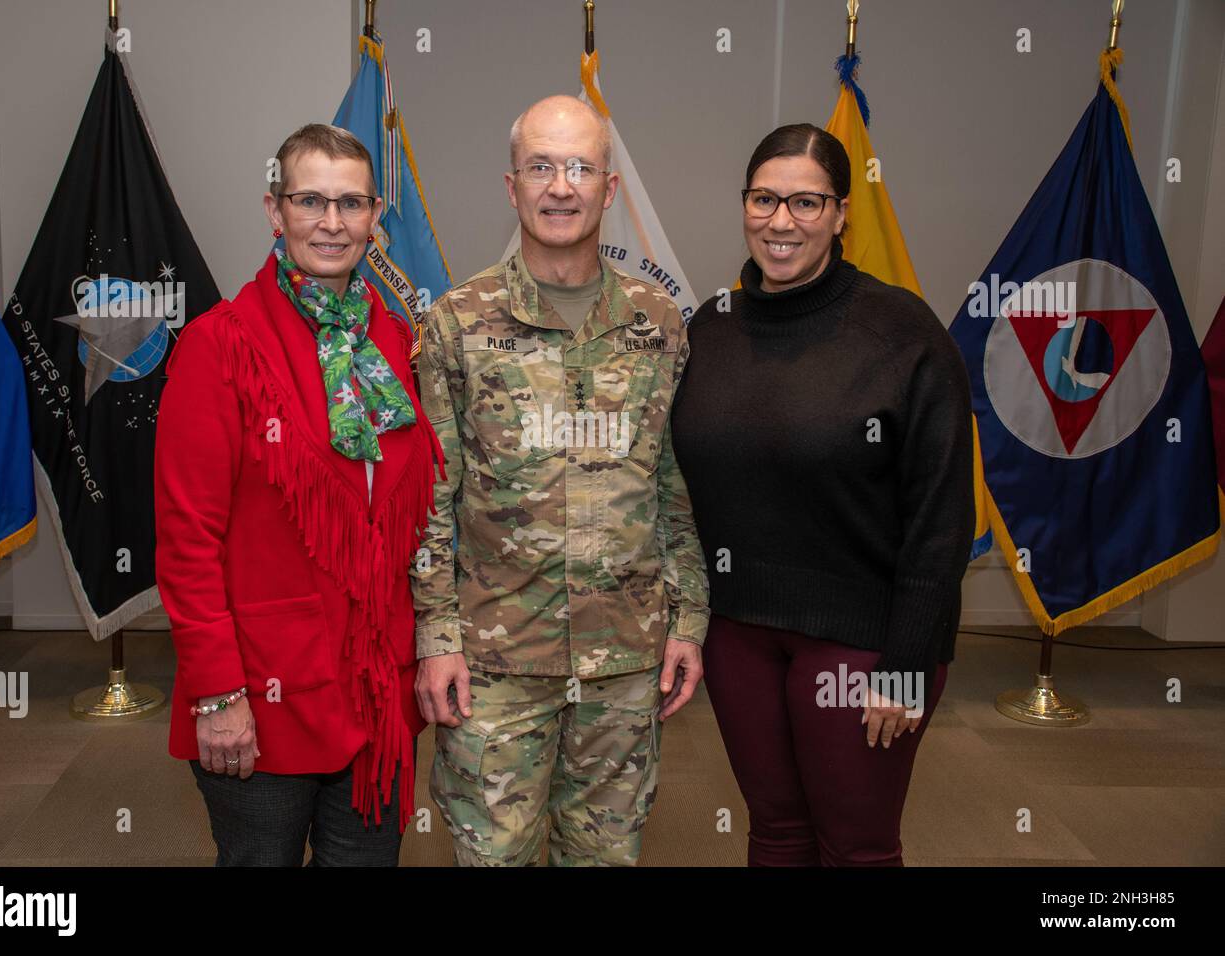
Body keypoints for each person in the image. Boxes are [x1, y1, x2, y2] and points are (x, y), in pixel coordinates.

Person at [411, 95, 709, 866]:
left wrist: (689, 619)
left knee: (604, 859)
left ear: (609, 188)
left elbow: (670, 482)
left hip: (624, 660)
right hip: (496, 664)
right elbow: (432, 498)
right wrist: (436, 637)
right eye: (540, 166)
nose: (560, 185)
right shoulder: (456, 323)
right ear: (511, 186)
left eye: (580, 167)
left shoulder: (659, 323)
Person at [671, 123, 974, 867]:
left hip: (862, 639)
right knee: (774, 833)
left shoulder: (903, 333)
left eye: (806, 203)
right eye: (764, 199)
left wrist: (907, 660)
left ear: (841, 214)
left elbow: (942, 517)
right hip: (738, 632)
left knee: (855, 845)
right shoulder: (707, 331)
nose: (782, 221)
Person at [154, 123, 442, 866]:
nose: (332, 222)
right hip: (263, 692)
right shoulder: (221, 345)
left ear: (377, 217)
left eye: (351, 203)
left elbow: (414, 514)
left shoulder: (396, 341)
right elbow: (187, 539)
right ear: (274, 210)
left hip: (377, 693)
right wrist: (217, 695)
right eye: (310, 200)